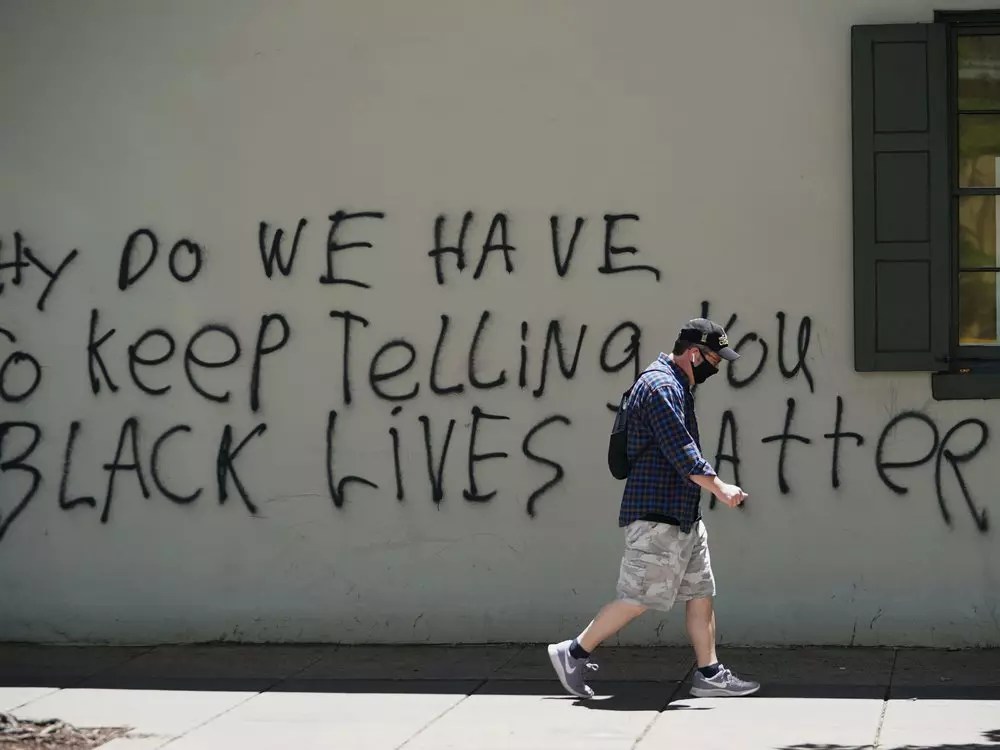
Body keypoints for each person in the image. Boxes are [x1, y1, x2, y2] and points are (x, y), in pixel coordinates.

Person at [547, 318, 760, 699]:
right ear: (694, 354)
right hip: (657, 516)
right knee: (638, 596)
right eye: (714, 358)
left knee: (700, 591)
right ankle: (573, 652)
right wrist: (721, 486)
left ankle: (709, 673)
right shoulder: (660, 385)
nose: (717, 366)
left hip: (682, 515)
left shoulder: (678, 384)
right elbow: (681, 449)